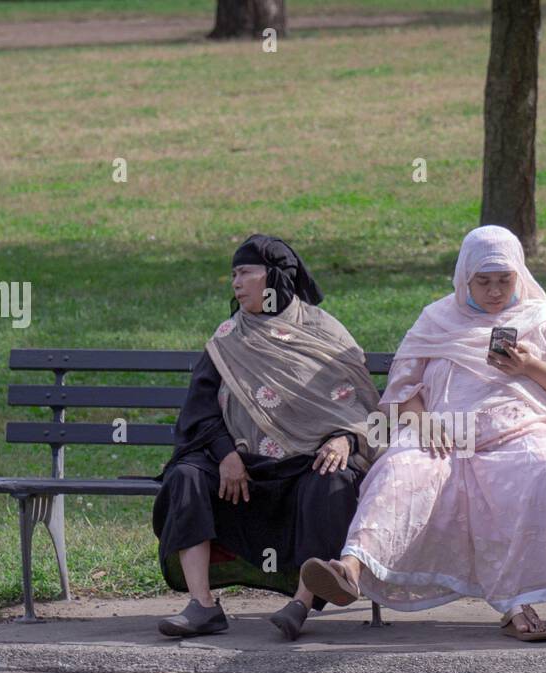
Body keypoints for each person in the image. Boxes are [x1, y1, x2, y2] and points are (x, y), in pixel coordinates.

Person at [298, 225, 546, 640]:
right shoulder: (436, 319)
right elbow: (403, 391)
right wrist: (424, 421)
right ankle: (349, 568)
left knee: (544, 471)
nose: (494, 291)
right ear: (464, 279)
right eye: (483, 281)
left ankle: (517, 604)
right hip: (445, 430)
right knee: (400, 470)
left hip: (525, 427)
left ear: (519, 274)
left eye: (504, 280)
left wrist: (529, 367)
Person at [152, 235, 382, 639]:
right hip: (242, 472)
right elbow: (199, 411)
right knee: (185, 476)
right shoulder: (227, 338)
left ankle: (301, 603)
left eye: (245, 273)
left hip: (302, 467)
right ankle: (202, 605)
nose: (236, 283)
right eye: (233, 274)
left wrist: (346, 439)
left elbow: (361, 407)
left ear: (274, 277)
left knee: (334, 478)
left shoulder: (325, 333)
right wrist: (225, 453)